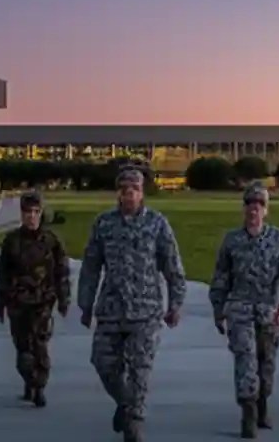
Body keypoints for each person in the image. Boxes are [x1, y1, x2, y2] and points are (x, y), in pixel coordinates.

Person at [78, 166, 186, 442]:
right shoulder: (104, 224)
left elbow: (172, 266)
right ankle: (126, 405)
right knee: (102, 362)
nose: (129, 194)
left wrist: (175, 303)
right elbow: (90, 266)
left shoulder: (157, 224)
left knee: (140, 371)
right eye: (124, 189)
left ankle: (134, 422)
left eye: (135, 190)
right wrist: (85, 305)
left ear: (142, 193)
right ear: (118, 192)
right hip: (111, 308)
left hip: (146, 312)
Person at [209, 182, 279, 439]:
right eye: (249, 205)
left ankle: (262, 404)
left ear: (266, 210)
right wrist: (218, 308)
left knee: (266, 364)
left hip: (268, 311)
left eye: (259, 205)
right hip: (240, 309)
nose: (254, 211)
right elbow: (220, 277)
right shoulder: (232, 241)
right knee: (245, 360)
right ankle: (248, 412)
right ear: (244, 209)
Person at [0, 190, 71, 407]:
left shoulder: (51, 241)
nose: (32, 216)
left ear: (41, 214)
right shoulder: (12, 241)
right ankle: (29, 380)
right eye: (28, 212)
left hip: (43, 302)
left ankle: (39, 386)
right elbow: (3, 273)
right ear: (21, 214)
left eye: (36, 212)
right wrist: (0, 302)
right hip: (18, 303)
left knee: (40, 345)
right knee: (23, 349)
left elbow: (62, 272)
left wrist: (64, 299)